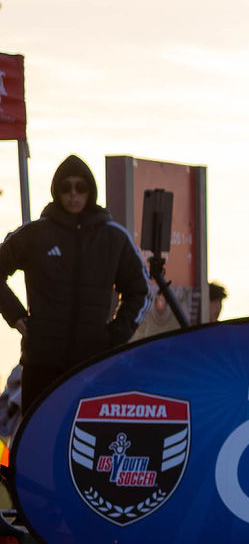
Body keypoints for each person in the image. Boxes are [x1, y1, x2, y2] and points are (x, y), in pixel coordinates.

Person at [0, 156, 149, 426]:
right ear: (56, 191)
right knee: (37, 438)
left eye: (80, 187)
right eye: (66, 188)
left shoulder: (113, 237)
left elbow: (140, 290)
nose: (73, 195)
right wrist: (15, 315)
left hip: (91, 364)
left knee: (87, 441)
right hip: (41, 362)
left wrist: (116, 336)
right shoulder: (34, 234)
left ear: (90, 191)